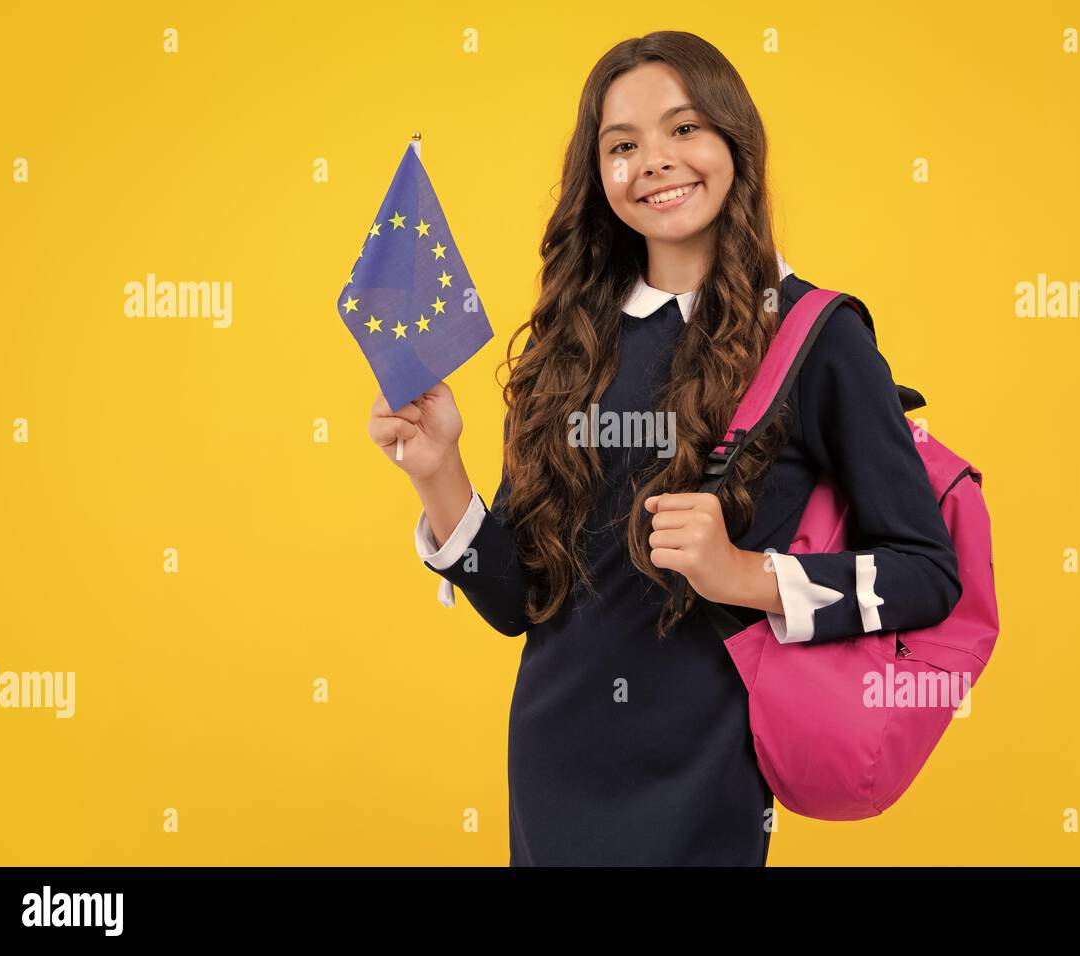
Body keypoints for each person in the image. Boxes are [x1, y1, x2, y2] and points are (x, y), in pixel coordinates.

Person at [366, 30, 961, 866]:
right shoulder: (568, 346)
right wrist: (440, 476)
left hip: (706, 773)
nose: (654, 160)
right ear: (597, 173)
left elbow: (927, 573)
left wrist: (743, 575)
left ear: (734, 140)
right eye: (622, 144)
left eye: (684, 129)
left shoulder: (814, 335)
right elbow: (521, 604)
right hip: (552, 770)